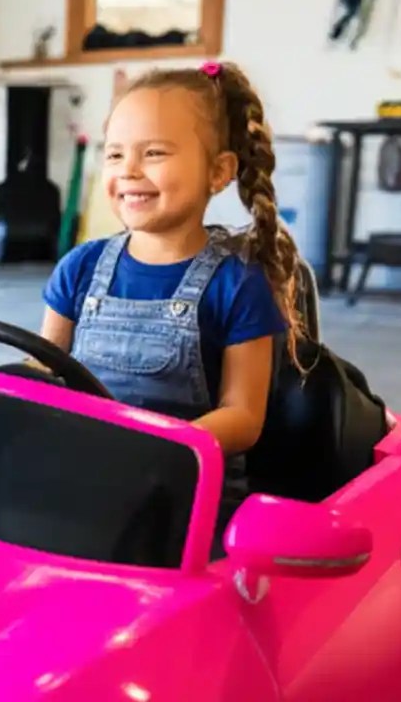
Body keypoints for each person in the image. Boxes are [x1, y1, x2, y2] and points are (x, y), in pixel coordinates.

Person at [39, 61, 305, 548]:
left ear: (219, 171)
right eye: (115, 154)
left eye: (154, 153)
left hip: (183, 494)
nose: (129, 171)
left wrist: (158, 450)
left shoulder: (238, 281)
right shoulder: (79, 268)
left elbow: (243, 417)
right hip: (84, 479)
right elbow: (42, 372)